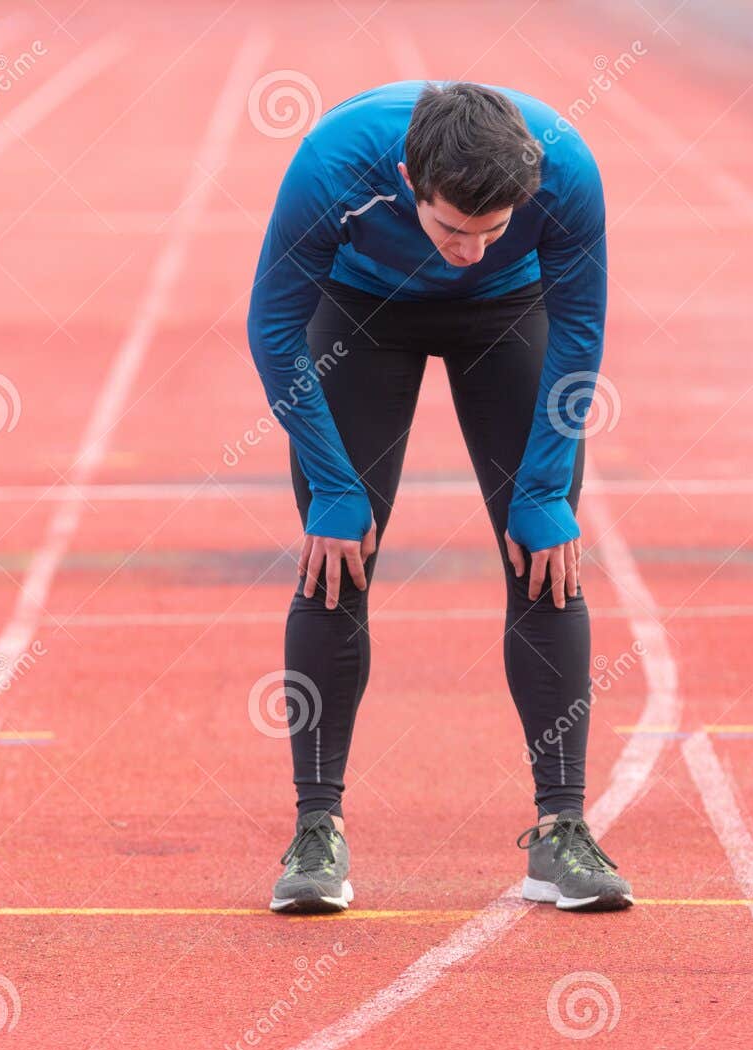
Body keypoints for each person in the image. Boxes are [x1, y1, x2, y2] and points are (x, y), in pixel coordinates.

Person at [247, 80, 632, 915]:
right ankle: (318, 830)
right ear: (408, 179)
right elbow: (273, 326)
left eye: (493, 228)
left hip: (507, 314)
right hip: (362, 308)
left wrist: (541, 489)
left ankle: (561, 830)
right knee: (333, 559)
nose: (470, 248)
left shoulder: (566, 169)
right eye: (453, 227)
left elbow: (579, 330)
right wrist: (335, 485)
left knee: (547, 555)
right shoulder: (332, 163)